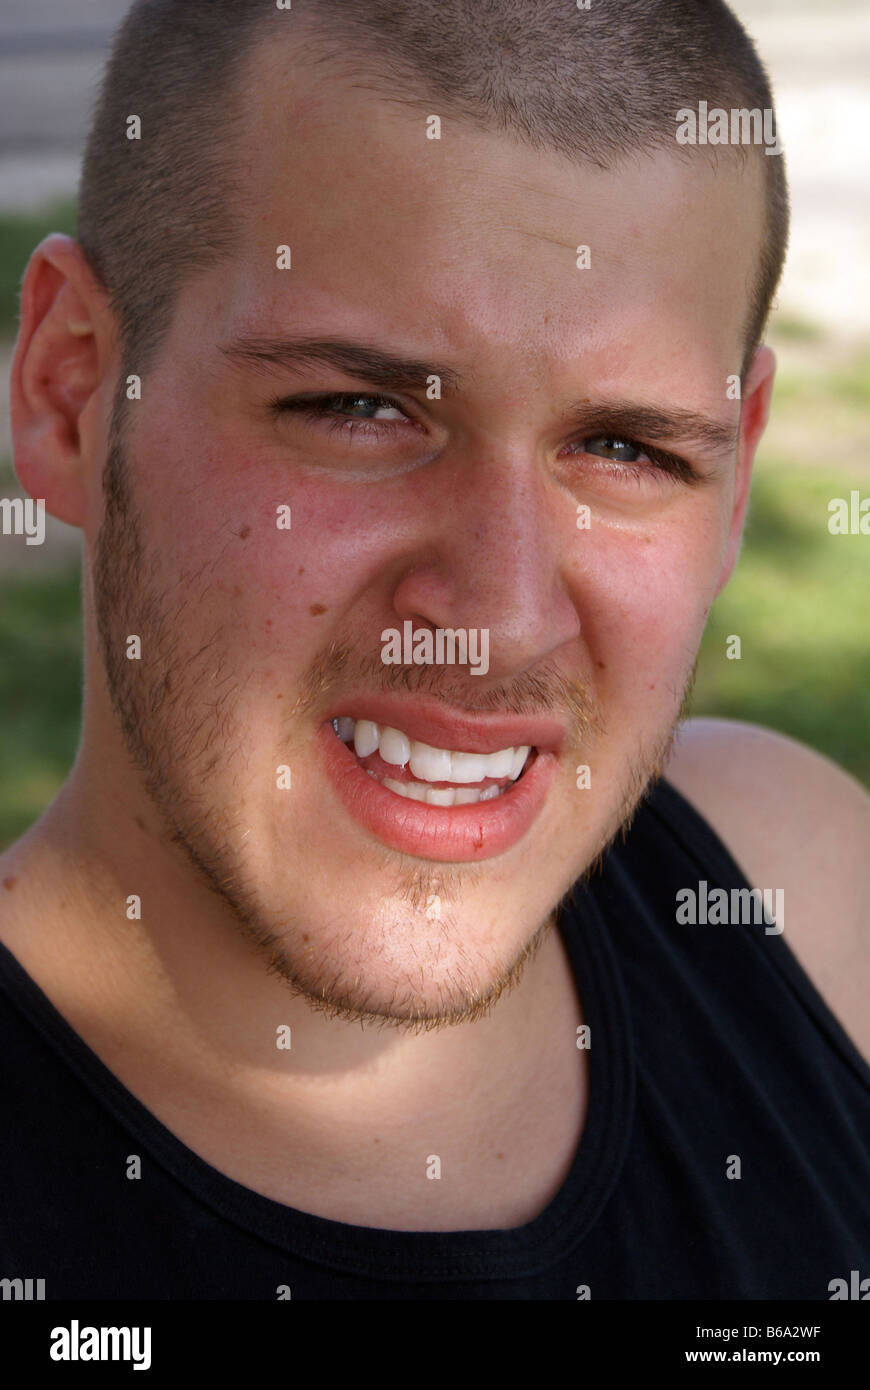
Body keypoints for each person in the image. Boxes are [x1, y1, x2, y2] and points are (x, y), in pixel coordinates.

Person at [1, 0, 868, 1301]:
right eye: (358, 408)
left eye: (627, 448)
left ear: (734, 476)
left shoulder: (792, 882)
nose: (502, 615)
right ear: (72, 392)